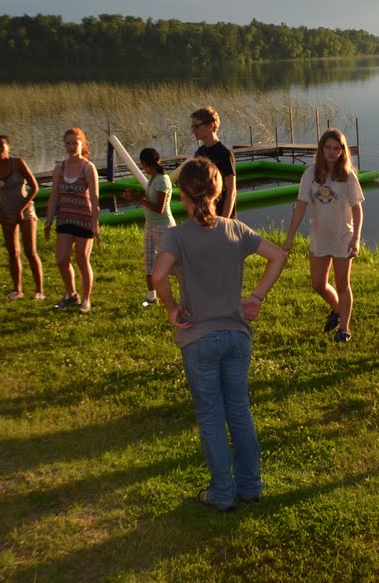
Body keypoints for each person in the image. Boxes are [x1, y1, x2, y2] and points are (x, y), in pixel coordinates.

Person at [151, 157, 287, 511]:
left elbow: (158, 276)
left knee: (211, 415)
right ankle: (250, 485)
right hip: (236, 335)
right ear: (217, 190)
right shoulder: (235, 229)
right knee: (239, 410)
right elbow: (278, 257)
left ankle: (223, 493)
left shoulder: (176, 235)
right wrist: (255, 297)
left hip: (199, 339)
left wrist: (171, 307)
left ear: (183, 194)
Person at [281, 128, 364, 342]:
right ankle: (337, 310)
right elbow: (300, 206)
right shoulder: (310, 173)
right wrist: (289, 236)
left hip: (342, 237)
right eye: (328, 147)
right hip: (320, 236)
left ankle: (344, 329)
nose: (332, 152)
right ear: (321, 148)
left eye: (337, 148)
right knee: (318, 283)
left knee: (343, 284)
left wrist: (356, 238)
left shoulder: (347, 176)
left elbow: (357, 209)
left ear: (343, 151)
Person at [43, 127, 99, 313]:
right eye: (67, 143)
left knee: (82, 259)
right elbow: (53, 196)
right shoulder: (60, 168)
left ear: (82, 143)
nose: (71, 146)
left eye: (74, 142)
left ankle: (86, 299)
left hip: (83, 218)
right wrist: (49, 220)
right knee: (61, 259)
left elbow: (94, 197)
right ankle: (71, 294)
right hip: (65, 218)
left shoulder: (88, 167)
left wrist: (94, 223)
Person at [0, 135, 45, 301]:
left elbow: (34, 187)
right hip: (7, 212)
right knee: (13, 252)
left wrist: (21, 209)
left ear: (8, 147)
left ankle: (39, 290)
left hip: (25, 209)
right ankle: (17, 290)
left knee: (30, 251)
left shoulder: (17, 163)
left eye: (1, 146)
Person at [121, 147, 175, 308]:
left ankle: (187, 293)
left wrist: (139, 198)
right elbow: (150, 200)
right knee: (149, 261)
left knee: (174, 263)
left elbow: (160, 207)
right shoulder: (152, 178)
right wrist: (137, 195)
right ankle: (151, 296)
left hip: (164, 226)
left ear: (145, 164)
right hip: (151, 225)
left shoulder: (161, 180)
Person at [189, 106, 236, 218]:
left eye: (196, 126)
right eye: (192, 127)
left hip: (223, 216)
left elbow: (231, 191)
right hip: (205, 217)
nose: (193, 130)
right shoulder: (199, 153)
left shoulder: (225, 154)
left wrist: (225, 221)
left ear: (210, 125)